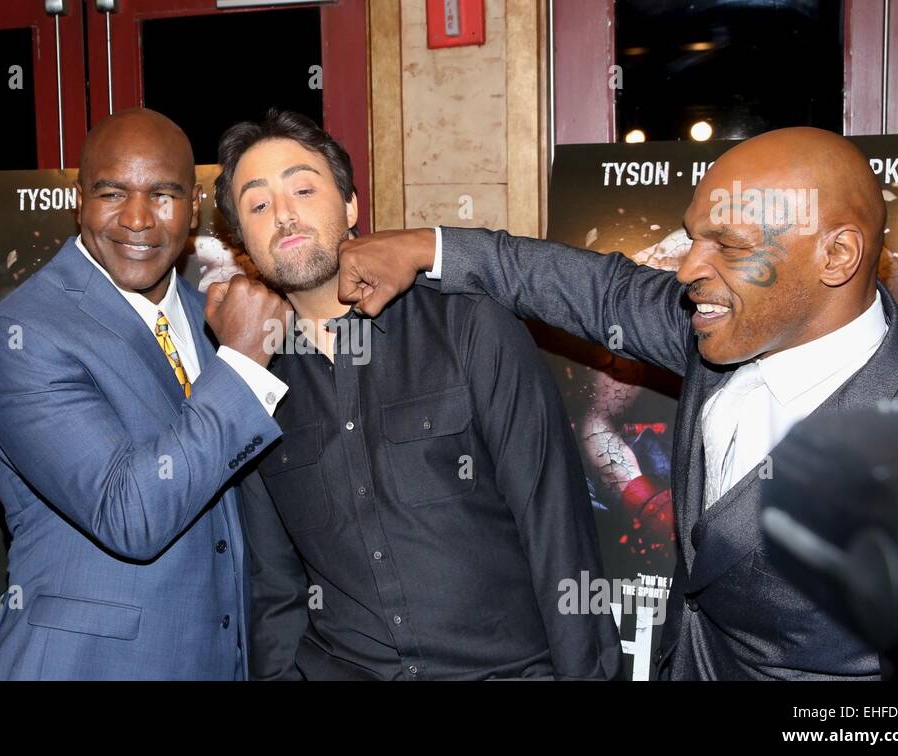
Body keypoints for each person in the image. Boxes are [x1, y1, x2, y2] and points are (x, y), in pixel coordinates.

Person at [335, 127, 898, 680]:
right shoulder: (724, 324)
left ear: (836, 256)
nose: (689, 269)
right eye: (694, 239)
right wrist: (423, 246)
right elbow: (592, 289)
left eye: (730, 246)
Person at [216, 110, 622, 680]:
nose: (284, 214)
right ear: (241, 243)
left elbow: (557, 530)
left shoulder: (467, 327)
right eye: (258, 205)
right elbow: (274, 588)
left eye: (303, 189)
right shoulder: (251, 381)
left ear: (352, 205)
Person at [0, 108, 290, 680]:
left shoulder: (206, 314)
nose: (137, 219)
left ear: (194, 205)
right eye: (112, 193)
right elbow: (130, 514)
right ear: (79, 201)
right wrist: (241, 363)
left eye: (163, 194)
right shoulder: (21, 337)